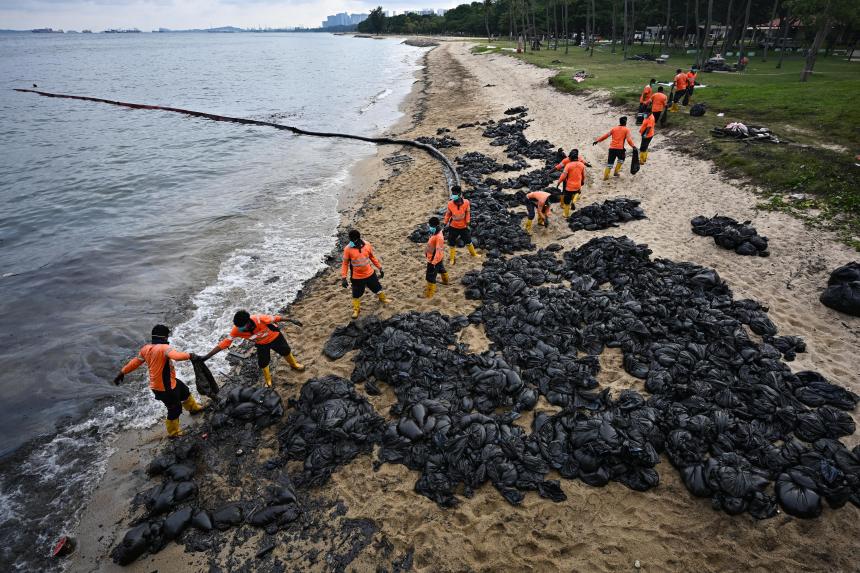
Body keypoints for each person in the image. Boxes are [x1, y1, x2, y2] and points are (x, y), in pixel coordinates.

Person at [113, 324, 203, 438]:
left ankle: (193, 408)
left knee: (184, 391)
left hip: (162, 384)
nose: (168, 338)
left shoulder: (146, 349)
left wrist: (122, 372)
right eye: (167, 336)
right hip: (166, 388)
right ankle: (174, 433)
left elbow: (135, 362)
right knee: (174, 409)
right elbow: (176, 356)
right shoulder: (164, 348)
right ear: (164, 337)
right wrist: (190, 355)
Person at [204, 310, 305, 387]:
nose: (240, 329)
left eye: (242, 326)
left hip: (275, 337)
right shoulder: (237, 330)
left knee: (286, 351)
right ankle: (268, 380)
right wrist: (207, 356)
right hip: (261, 344)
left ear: (248, 322)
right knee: (263, 362)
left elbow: (276, 318)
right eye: (238, 326)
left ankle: (294, 365)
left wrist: (292, 320)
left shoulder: (260, 319)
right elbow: (225, 343)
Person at [340, 229, 387, 319]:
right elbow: (345, 264)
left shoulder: (367, 245)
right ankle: (356, 310)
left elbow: (372, 257)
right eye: (350, 239)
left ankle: (383, 299)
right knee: (356, 294)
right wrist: (343, 277)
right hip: (357, 277)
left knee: (377, 287)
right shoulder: (347, 249)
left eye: (353, 240)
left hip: (370, 273)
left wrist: (380, 268)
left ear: (358, 238)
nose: (351, 242)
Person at [443, 186, 480, 265]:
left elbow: (468, 212)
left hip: (463, 226)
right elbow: (448, 214)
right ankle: (452, 259)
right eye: (452, 194)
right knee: (452, 243)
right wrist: (445, 222)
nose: (453, 195)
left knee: (468, 241)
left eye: (455, 194)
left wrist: (467, 221)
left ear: (460, 194)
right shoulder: (450, 204)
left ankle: (473, 254)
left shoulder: (466, 202)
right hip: (453, 226)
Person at [422, 217, 449, 298]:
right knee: (441, 269)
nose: (429, 227)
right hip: (436, 258)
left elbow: (438, 251)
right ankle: (445, 281)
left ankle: (429, 295)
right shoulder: (435, 232)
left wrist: (433, 262)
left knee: (430, 277)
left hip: (433, 259)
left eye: (430, 225)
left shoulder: (439, 237)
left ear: (435, 226)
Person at [556, 149, 586, 217]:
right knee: (578, 193)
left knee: (567, 201)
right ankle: (574, 202)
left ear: (571, 158)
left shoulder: (568, 165)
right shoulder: (581, 165)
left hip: (569, 186)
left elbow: (563, 176)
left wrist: (559, 182)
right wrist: (582, 181)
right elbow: (583, 175)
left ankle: (566, 214)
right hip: (577, 185)